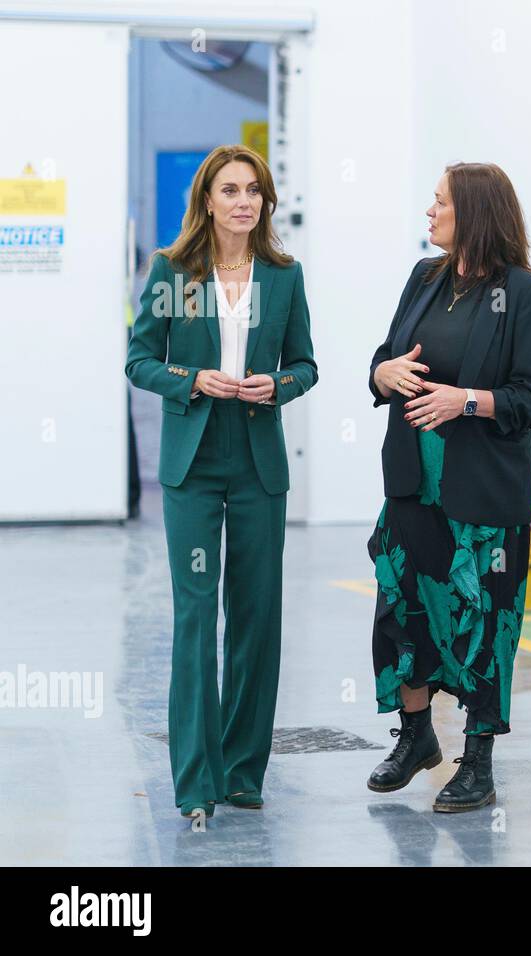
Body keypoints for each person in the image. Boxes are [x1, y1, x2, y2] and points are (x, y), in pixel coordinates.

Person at [124, 144, 317, 820]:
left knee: (257, 618)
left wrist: (281, 384)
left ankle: (241, 773)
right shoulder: (172, 272)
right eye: (230, 189)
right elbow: (140, 360)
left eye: (254, 190)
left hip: (258, 457)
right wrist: (192, 379)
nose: (244, 201)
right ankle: (195, 780)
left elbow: (307, 365)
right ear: (207, 198)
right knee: (196, 615)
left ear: (264, 201)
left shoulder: (284, 277)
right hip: (194, 462)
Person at [365, 162, 531, 812]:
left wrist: (464, 402)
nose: (430, 212)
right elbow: (383, 358)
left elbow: (530, 398)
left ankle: (478, 762)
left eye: (439, 203)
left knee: (483, 622)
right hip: (413, 483)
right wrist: (383, 373)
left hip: (481, 495)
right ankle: (415, 736)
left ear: (471, 212)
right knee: (402, 611)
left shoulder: (524, 294)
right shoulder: (424, 278)